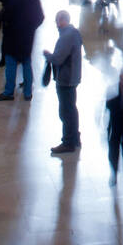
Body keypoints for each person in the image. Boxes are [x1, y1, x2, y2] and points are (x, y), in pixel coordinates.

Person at [0, 0, 43, 101]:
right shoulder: (34, 0)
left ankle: (9, 92)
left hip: (12, 37)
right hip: (27, 37)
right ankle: (27, 93)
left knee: (10, 64)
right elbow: (40, 18)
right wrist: (30, 28)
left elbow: (6, 16)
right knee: (26, 63)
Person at [43, 11, 83, 155]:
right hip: (72, 77)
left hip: (66, 79)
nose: (56, 25)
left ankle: (68, 142)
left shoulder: (66, 36)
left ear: (61, 20)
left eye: (57, 21)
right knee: (71, 109)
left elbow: (58, 59)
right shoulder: (74, 33)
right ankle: (75, 138)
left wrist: (47, 55)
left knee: (66, 111)